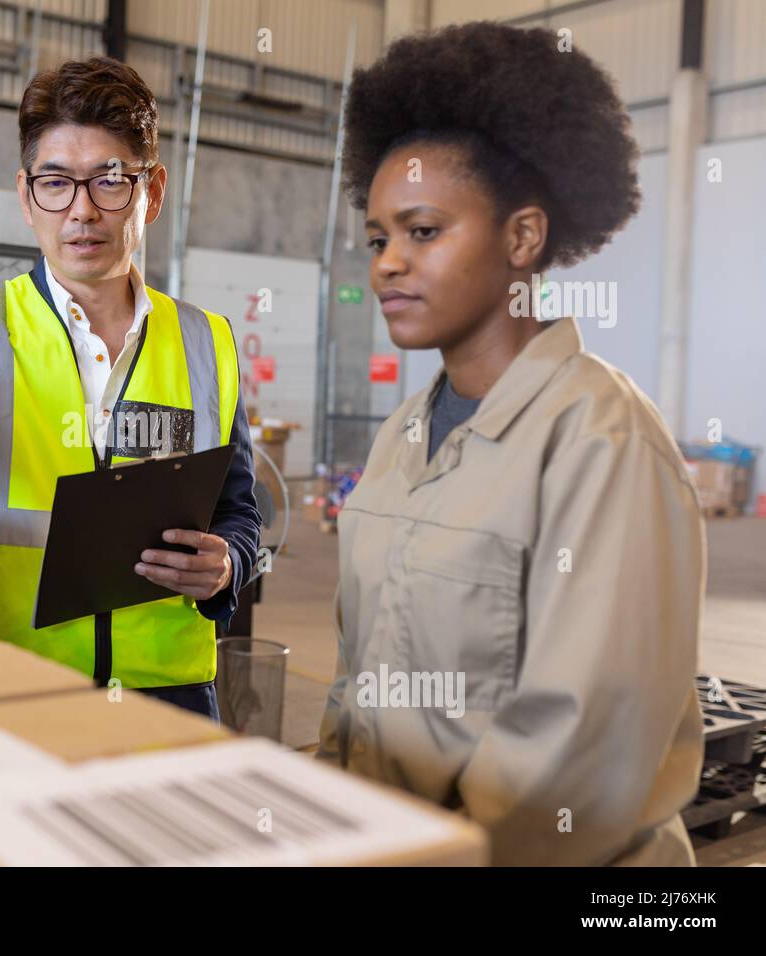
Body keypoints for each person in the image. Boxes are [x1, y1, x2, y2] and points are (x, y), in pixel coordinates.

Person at [316, 22, 705, 865]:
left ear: (522, 239)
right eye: (379, 237)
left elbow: (578, 757)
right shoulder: (399, 441)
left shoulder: (603, 443)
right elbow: (359, 684)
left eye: (423, 231)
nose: (386, 263)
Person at [0, 56, 261, 721]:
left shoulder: (207, 343)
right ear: (26, 194)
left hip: (166, 695)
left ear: (151, 191)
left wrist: (229, 565)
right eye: (56, 183)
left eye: (110, 180)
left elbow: (239, 509)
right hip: (1, 683)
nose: (83, 210)